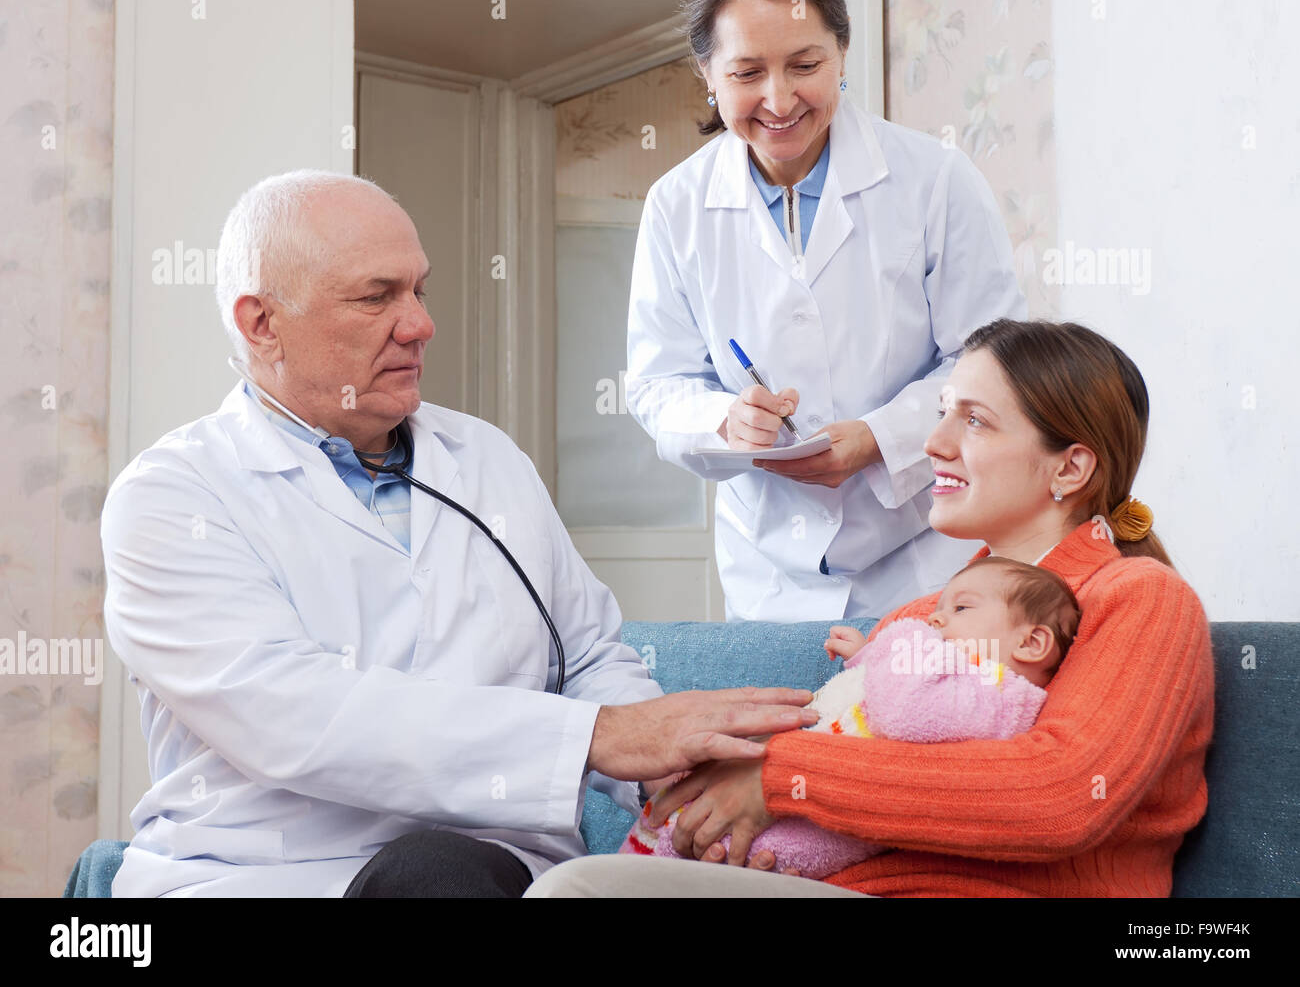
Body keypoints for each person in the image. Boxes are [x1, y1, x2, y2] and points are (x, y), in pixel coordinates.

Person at [100, 170, 819, 898]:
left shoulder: (486, 458)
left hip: (491, 869)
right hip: (265, 875)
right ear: (262, 324)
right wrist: (598, 737)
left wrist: (676, 785)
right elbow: (296, 715)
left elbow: (587, 654)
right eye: (376, 297)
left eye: (419, 291)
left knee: (446, 875)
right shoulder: (171, 497)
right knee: (431, 875)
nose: (418, 325)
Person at [526, 318, 1215, 897]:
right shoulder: (917, 619)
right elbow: (843, 771)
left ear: (1070, 468)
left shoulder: (1143, 600)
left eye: (973, 420)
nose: (935, 442)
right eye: (942, 411)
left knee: (579, 892)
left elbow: (1061, 797)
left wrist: (778, 778)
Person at [625, 0, 1026, 623]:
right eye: (747, 73)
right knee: (794, 730)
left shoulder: (934, 181)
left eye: (804, 64)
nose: (779, 100)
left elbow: (994, 363)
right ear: (708, 76)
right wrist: (726, 418)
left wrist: (880, 436)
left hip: (930, 555)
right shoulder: (676, 206)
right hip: (768, 576)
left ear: (842, 53)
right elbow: (658, 384)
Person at [618, 557, 1080, 877]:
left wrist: (896, 643)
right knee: (689, 791)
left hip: (807, 827)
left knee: (695, 845)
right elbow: (881, 702)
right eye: (938, 609)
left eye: (960, 609)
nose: (933, 621)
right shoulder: (958, 671)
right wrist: (868, 658)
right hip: (796, 777)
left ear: (1031, 644)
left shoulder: (1001, 699)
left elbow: (905, 714)